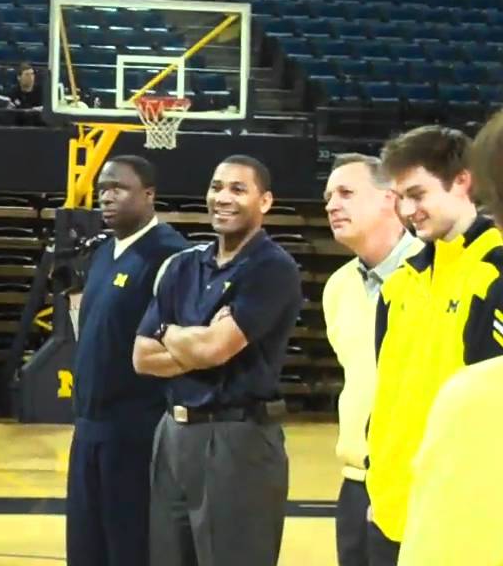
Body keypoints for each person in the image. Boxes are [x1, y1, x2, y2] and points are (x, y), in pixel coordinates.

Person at [131, 155, 302, 566]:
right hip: (172, 436)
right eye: (216, 186)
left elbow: (214, 350)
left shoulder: (272, 268)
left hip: (236, 439)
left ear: (265, 202)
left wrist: (168, 333)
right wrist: (196, 339)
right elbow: (140, 357)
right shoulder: (183, 265)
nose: (222, 198)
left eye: (238, 189)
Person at [365, 125, 503, 565]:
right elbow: (385, 394)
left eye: (418, 194)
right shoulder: (398, 285)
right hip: (389, 511)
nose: (408, 210)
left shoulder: (493, 273)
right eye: (400, 198)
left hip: (459, 516)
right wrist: (377, 482)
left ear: (462, 181)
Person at [66, 156, 189, 566]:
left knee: (129, 548)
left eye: (119, 188)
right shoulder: (103, 254)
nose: (107, 197)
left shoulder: (170, 256)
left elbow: (180, 345)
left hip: (136, 431)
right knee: (86, 548)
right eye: (103, 189)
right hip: (88, 427)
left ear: (149, 195)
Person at [320, 154, 422, 566]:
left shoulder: (433, 273)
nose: (330, 205)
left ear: (390, 199)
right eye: (328, 196)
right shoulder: (337, 286)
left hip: (418, 481)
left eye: (345, 193)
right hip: (356, 480)